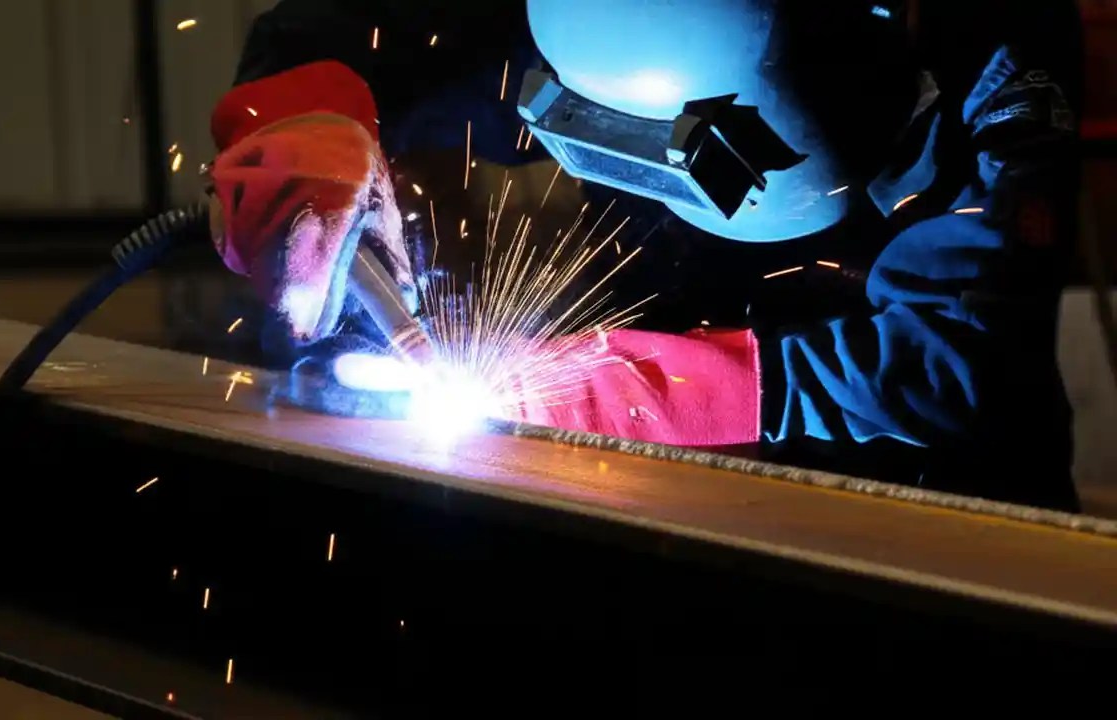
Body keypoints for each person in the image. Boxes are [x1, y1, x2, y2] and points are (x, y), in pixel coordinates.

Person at [205, 0, 1085, 512]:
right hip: (658, 479)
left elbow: (961, 363)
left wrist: (622, 389)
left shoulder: (991, 51)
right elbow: (330, 27)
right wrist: (308, 114)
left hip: (924, 504)